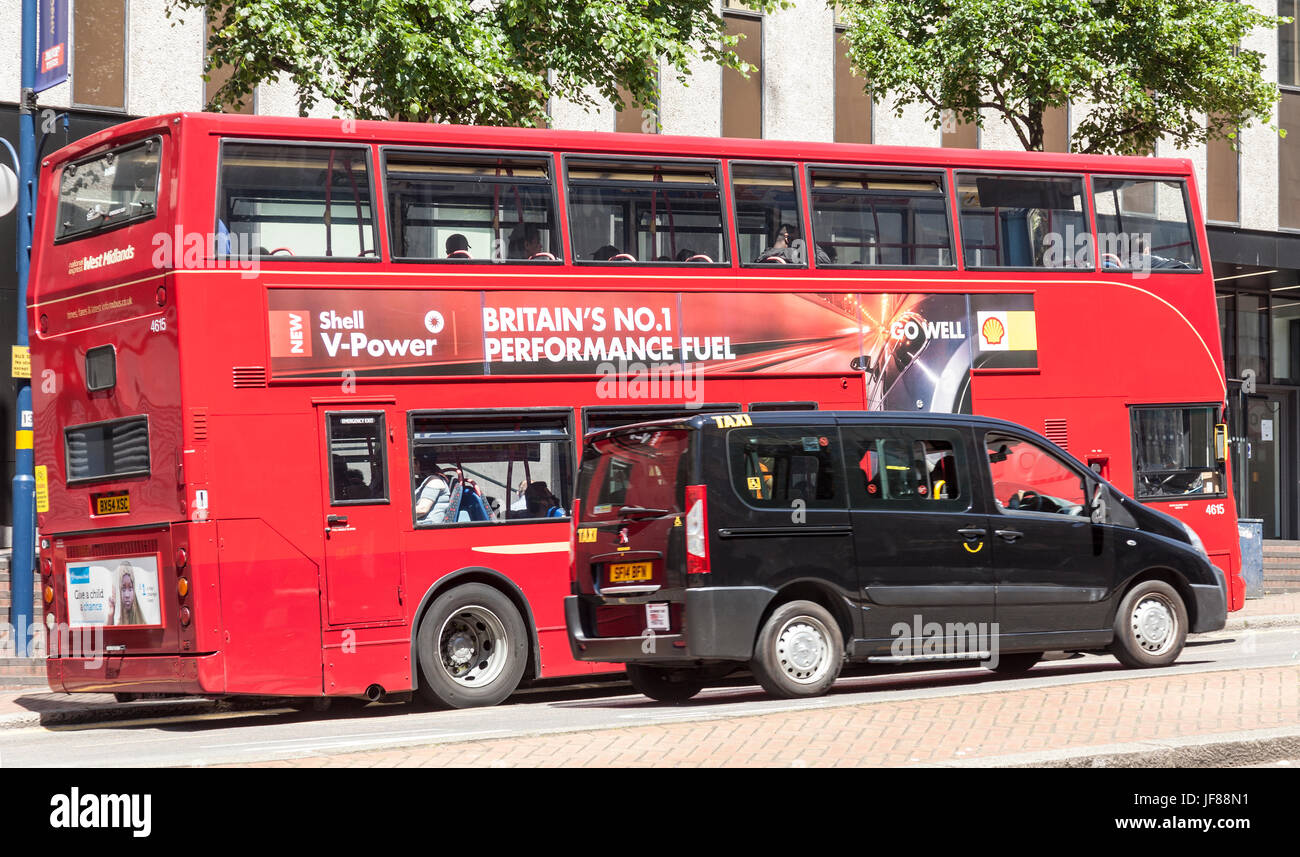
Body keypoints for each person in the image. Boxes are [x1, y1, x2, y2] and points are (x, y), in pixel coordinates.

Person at [414, 450, 453, 524]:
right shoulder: (429, 480)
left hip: (427, 524)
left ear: (419, 464)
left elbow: (423, 509)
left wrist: (399, 514)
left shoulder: (434, 481)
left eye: (413, 462)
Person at [107, 561, 147, 626]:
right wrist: (111, 614)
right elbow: (108, 635)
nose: (127, 595)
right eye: (123, 589)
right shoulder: (119, 622)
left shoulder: (142, 622)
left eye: (130, 588)